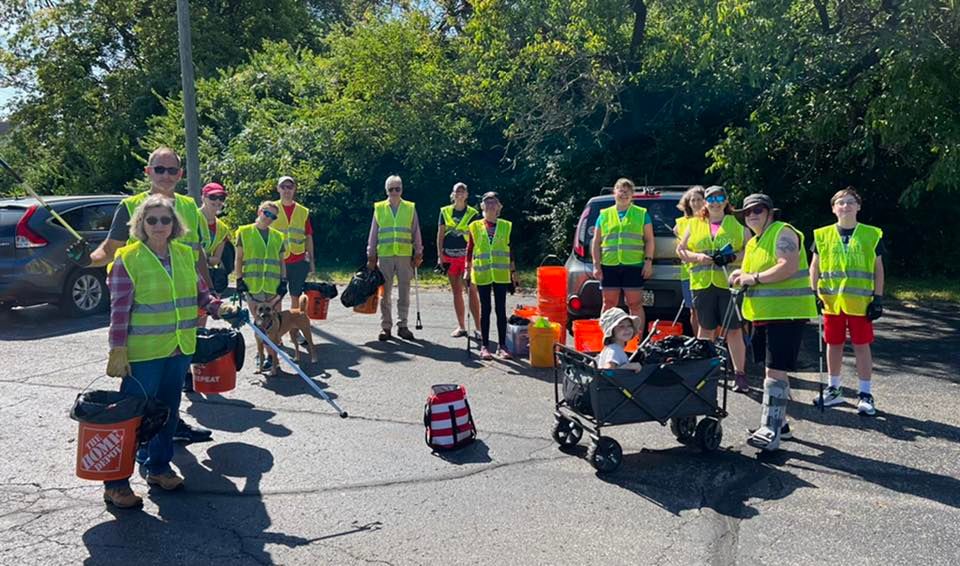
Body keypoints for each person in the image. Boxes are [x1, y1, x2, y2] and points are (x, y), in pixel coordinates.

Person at [102, 195, 236, 508]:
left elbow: (203, 296)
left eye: (165, 220)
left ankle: (158, 467)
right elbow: (119, 311)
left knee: (167, 412)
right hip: (143, 353)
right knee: (132, 417)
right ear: (141, 225)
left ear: (175, 224)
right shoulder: (128, 257)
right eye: (152, 220)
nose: (160, 226)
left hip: (179, 349)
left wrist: (223, 308)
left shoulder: (184, 254)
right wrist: (117, 349)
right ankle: (116, 483)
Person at [75, 146, 213, 444]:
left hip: (183, 306)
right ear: (148, 172)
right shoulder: (131, 205)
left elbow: (196, 253)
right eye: (159, 169)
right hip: (142, 312)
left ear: (180, 174)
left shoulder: (189, 206)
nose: (166, 175)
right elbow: (110, 250)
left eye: (172, 170)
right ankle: (137, 450)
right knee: (142, 392)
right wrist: (87, 260)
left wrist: (209, 293)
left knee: (172, 385)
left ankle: (169, 430)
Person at [729, 194, 817, 452]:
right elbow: (751, 275)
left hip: (785, 313)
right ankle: (781, 425)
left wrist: (752, 277)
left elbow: (786, 266)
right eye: (747, 212)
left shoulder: (783, 231)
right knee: (771, 370)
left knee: (774, 371)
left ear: (769, 212)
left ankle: (771, 429)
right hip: (764, 315)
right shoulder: (755, 242)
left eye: (757, 210)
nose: (751, 215)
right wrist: (740, 274)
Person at [810, 187, 885, 416]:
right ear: (833, 208)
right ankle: (834, 389)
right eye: (840, 202)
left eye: (850, 202)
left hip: (860, 301)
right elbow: (815, 266)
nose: (845, 206)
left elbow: (878, 268)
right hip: (832, 302)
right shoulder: (822, 234)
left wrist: (878, 298)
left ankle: (865, 393)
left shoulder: (871, 234)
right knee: (833, 344)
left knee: (862, 346)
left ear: (858, 206)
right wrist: (813, 293)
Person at [677, 185, 750, 393]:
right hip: (702, 284)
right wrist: (698, 257)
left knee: (734, 330)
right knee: (705, 328)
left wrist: (733, 257)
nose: (716, 202)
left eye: (720, 198)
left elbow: (750, 249)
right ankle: (704, 371)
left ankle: (740, 374)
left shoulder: (737, 225)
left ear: (726, 201)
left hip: (728, 284)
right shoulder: (694, 224)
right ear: (706, 202)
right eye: (711, 198)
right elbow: (681, 250)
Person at [591, 178, 655, 332]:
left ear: (632, 195)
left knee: (635, 304)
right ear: (615, 192)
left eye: (628, 191)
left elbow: (649, 240)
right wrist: (596, 265)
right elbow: (596, 241)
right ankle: (607, 338)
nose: (624, 194)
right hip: (609, 265)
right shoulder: (604, 214)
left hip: (633, 265)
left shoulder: (641, 214)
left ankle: (636, 342)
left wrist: (648, 262)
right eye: (621, 190)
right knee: (608, 304)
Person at [366, 175, 423, 341]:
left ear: (402, 189)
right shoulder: (379, 208)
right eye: (391, 189)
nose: (394, 192)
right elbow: (373, 233)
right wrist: (371, 254)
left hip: (405, 255)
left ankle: (403, 325)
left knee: (404, 292)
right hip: (385, 255)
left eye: (397, 188)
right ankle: (386, 327)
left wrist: (418, 252)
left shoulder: (410, 208)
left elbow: (416, 231)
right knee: (385, 293)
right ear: (386, 191)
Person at [465, 192, 519, 360]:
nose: (490, 205)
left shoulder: (506, 226)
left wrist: (514, 273)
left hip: (501, 274)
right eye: (487, 202)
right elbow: (470, 249)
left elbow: (510, 250)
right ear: (482, 206)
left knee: (501, 310)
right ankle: (485, 346)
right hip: (482, 273)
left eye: (493, 202)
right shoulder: (474, 226)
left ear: (499, 207)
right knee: (485, 310)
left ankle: (502, 346)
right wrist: (467, 269)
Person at [272, 176, 316, 344]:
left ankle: (294, 333)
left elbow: (308, 237)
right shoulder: (271, 208)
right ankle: (276, 333)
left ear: (294, 189)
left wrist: (311, 261)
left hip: (298, 259)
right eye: (283, 187)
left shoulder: (303, 211)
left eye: (290, 187)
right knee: (277, 298)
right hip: (278, 261)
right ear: (278, 189)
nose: (287, 190)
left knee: (295, 297)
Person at [436, 182, 480, 337]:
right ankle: (461, 327)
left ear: (467, 194)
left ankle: (479, 328)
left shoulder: (473, 213)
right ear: (453, 194)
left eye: (463, 191)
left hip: (467, 258)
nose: (460, 194)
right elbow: (440, 234)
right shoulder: (445, 211)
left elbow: (478, 236)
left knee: (472, 291)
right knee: (456, 292)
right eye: (457, 191)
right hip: (449, 256)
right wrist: (439, 255)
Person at [235, 202, 288, 314]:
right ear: (259, 212)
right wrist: (239, 280)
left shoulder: (278, 236)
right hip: (253, 285)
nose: (269, 218)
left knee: (275, 323)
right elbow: (239, 258)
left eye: (273, 216)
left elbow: (281, 262)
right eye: (267, 213)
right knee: (259, 322)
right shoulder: (244, 232)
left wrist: (283, 281)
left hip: (273, 286)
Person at [674, 186, 705, 336]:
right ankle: (698, 339)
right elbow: (680, 247)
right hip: (689, 272)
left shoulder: (710, 220)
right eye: (693, 200)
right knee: (694, 309)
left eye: (700, 199)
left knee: (708, 309)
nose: (697, 203)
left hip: (708, 272)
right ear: (688, 203)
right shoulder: (681, 223)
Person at [200, 182, 232, 295]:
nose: (217, 201)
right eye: (213, 197)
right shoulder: (192, 217)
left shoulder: (223, 228)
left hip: (206, 275)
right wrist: (207, 259)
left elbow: (216, 259)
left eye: (221, 198)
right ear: (203, 198)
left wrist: (204, 260)